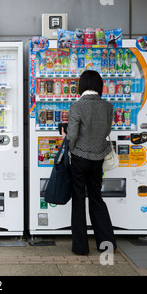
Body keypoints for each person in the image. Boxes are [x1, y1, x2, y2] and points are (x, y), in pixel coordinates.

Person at [61, 70, 117, 255]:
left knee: (78, 200)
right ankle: (107, 243)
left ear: (82, 85)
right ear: (99, 86)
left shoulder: (77, 106)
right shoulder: (108, 106)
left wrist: (66, 137)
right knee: (96, 198)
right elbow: (106, 130)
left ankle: (81, 247)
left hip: (79, 158)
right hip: (98, 158)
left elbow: (73, 135)